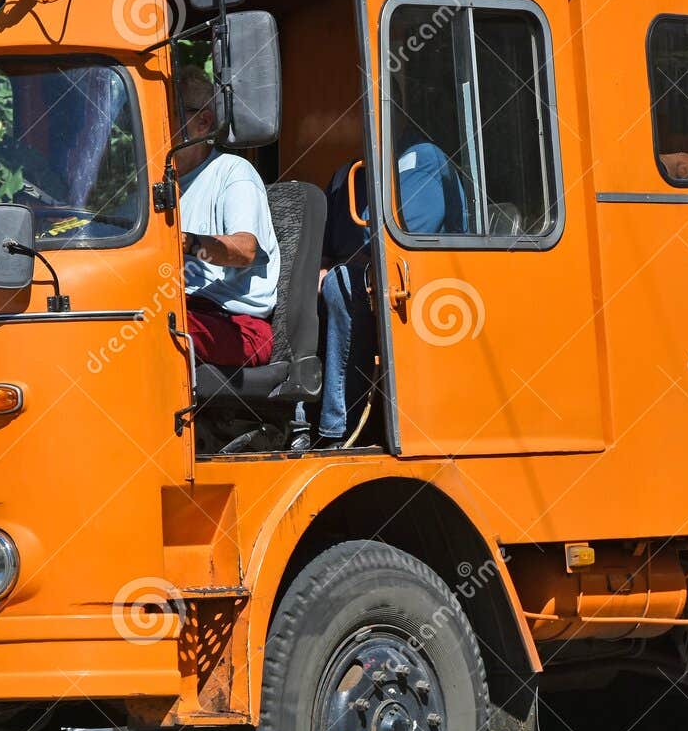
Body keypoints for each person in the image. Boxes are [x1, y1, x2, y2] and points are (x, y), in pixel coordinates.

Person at [312, 128, 469, 448]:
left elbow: (394, 238)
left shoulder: (421, 159)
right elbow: (327, 243)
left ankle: (338, 429)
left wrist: (335, 270)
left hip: (424, 282)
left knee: (341, 284)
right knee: (308, 282)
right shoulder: (348, 174)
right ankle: (298, 419)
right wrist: (319, 268)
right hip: (363, 271)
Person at [175, 70, 281, 368]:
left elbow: (245, 251)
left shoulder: (233, 172)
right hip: (182, 310)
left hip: (237, 325)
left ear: (203, 122)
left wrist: (185, 242)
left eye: (167, 113)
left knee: (148, 328)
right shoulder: (159, 184)